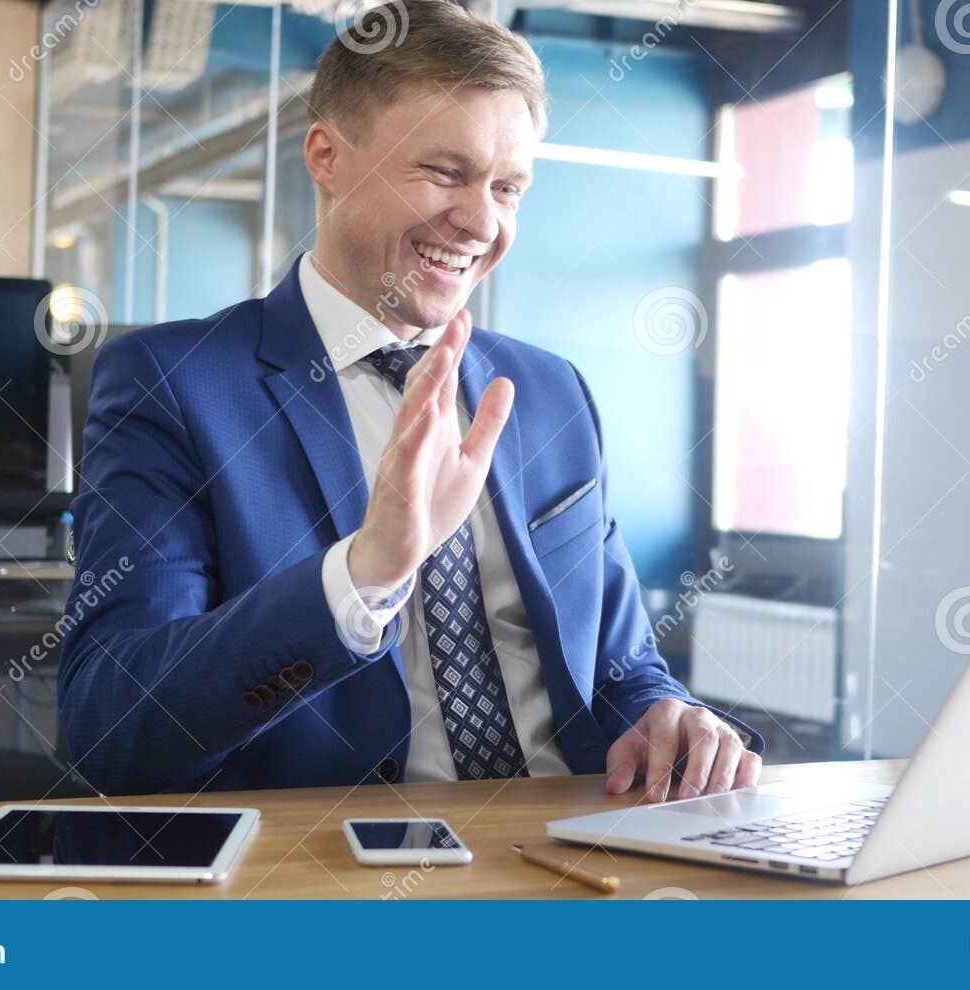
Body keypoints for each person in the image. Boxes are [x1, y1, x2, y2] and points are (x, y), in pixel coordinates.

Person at [60, 0, 761, 801]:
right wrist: (360, 578)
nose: (480, 221)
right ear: (326, 156)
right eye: (444, 172)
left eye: (508, 186)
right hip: (329, 878)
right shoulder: (177, 382)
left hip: (572, 849)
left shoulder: (548, 390)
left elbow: (622, 667)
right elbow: (111, 728)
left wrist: (668, 713)